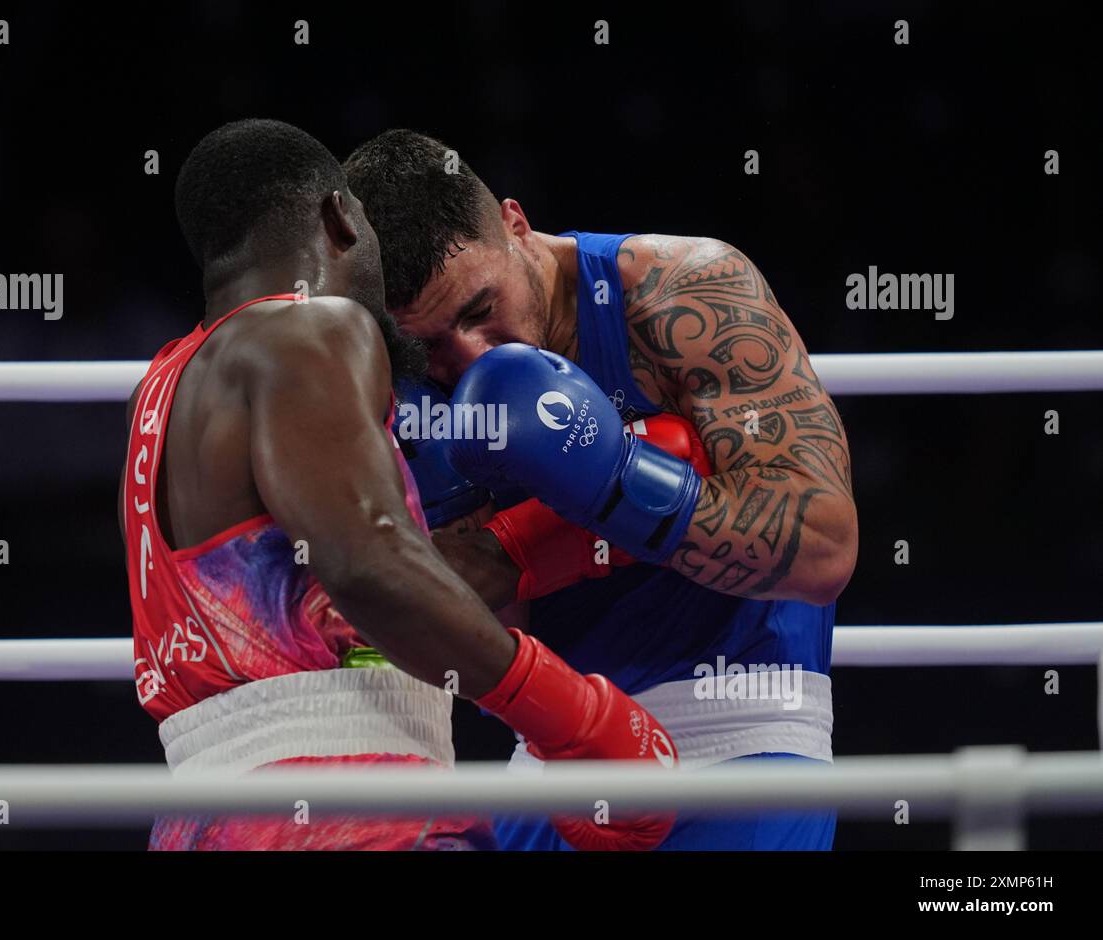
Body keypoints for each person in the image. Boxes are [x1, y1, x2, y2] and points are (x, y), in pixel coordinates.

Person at [118, 119, 681, 851]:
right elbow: (368, 561)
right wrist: (570, 715)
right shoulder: (315, 328)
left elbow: (303, 578)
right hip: (352, 803)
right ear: (339, 217)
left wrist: (563, 532)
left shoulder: (161, 388)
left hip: (206, 820)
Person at [346, 129, 859, 850]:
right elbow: (467, 632)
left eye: (477, 310)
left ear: (516, 226)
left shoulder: (682, 294)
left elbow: (825, 549)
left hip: (739, 727)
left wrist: (616, 483)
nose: (469, 359)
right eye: (427, 344)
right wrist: (483, 541)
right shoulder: (403, 390)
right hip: (554, 750)